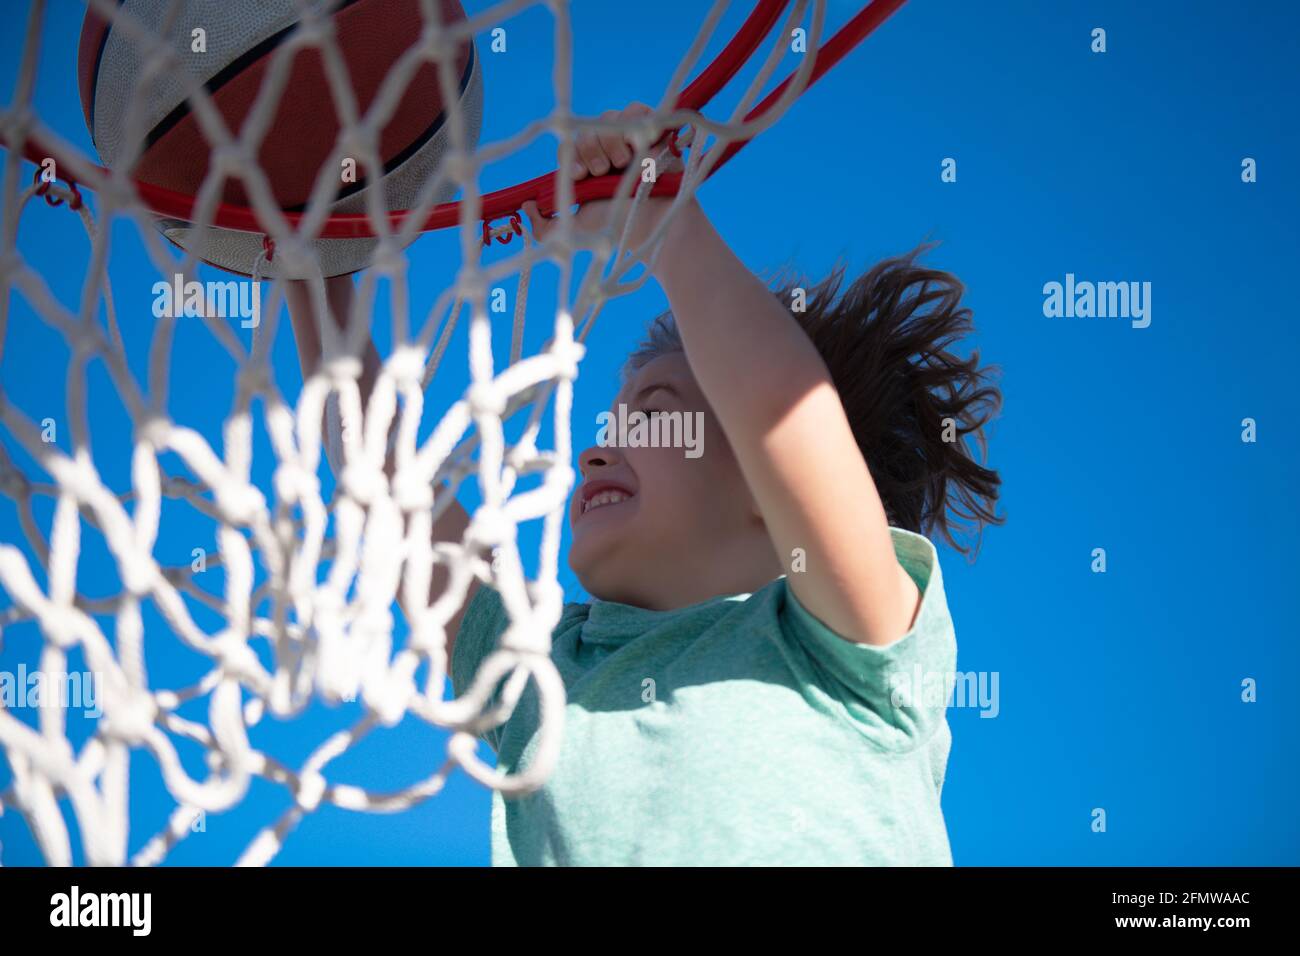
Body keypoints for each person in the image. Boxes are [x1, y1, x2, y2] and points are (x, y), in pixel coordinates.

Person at [286, 103, 1004, 865]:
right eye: (606, 428)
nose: (596, 454)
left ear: (768, 490)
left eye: (653, 417)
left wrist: (666, 227)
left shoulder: (848, 644)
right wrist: (305, 253)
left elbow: (785, 410)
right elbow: (387, 479)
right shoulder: (546, 678)